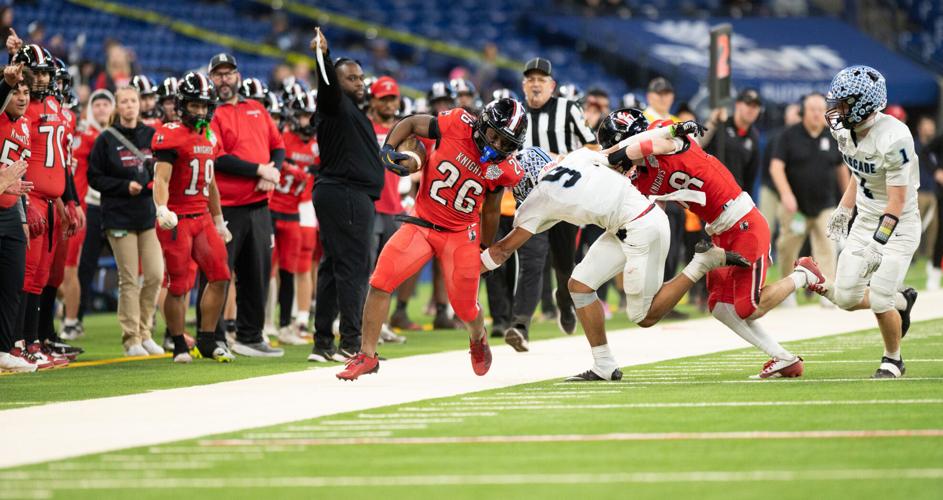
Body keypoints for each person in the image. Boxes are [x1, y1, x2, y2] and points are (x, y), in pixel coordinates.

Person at [482, 132, 748, 380]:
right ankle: (604, 364)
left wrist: (471, 268)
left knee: (644, 316)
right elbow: (621, 148)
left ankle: (702, 262)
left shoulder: (537, 198)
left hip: (639, 228)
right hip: (635, 220)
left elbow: (503, 249)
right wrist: (669, 131)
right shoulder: (577, 157)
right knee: (579, 285)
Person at [337, 97, 527, 380]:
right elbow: (413, 123)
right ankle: (367, 355)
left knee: (464, 307)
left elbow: (490, 210)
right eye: (495, 136)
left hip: (461, 235)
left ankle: (478, 337)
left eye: (506, 143)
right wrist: (388, 147)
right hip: (422, 224)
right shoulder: (456, 123)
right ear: (482, 124)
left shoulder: (505, 169)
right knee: (380, 281)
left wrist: (484, 248)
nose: (497, 146)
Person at [626, 107, 821, 379]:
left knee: (748, 307)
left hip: (742, 220)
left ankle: (804, 275)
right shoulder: (638, 179)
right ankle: (783, 358)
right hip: (719, 229)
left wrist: (621, 151)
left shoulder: (660, 136)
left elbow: (662, 141)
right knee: (719, 305)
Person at [802, 66, 919, 379]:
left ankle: (892, 359)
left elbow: (895, 203)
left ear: (864, 104)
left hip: (899, 225)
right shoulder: (846, 131)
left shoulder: (894, 138)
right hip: (866, 218)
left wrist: (878, 244)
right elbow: (861, 170)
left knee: (879, 296)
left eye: (843, 102)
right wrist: (845, 207)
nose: (835, 108)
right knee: (847, 297)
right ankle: (902, 302)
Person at [508, 57, 596, 350]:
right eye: (530, 79)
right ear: (523, 84)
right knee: (531, 262)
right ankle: (520, 324)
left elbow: (594, 146)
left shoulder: (568, 109)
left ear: (552, 85)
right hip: (531, 201)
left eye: (541, 79)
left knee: (563, 262)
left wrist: (565, 158)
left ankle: (564, 300)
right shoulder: (514, 113)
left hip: (565, 199)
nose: (535, 84)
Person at [307, 29, 384, 361]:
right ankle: (351, 343)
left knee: (332, 267)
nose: (360, 82)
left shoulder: (350, 111)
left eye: (361, 77)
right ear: (337, 83)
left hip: (340, 193)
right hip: (347, 193)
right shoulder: (335, 103)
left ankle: (323, 342)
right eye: (351, 78)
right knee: (353, 268)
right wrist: (323, 55)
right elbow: (325, 85)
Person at [205, 52, 286, 358]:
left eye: (229, 73)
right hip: (225, 206)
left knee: (257, 273)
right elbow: (217, 156)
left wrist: (272, 170)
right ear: (211, 78)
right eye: (218, 74)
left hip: (259, 205)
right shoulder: (209, 112)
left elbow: (278, 145)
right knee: (218, 274)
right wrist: (258, 170)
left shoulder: (257, 108)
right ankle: (211, 337)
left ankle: (250, 335)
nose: (224, 79)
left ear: (238, 75)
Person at [151, 72, 235, 364]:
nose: (200, 111)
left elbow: (210, 182)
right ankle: (177, 343)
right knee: (179, 284)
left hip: (202, 217)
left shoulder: (210, 135)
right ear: (182, 104)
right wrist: (162, 208)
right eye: (194, 105)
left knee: (221, 276)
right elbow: (160, 179)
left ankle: (208, 339)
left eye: (204, 105)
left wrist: (219, 220)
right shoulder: (170, 132)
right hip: (178, 219)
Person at [10, 40, 84, 367]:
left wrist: (69, 199)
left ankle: (35, 340)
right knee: (26, 275)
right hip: (31, 197)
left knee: (40, 276)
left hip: (53, 201)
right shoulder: (20, 106)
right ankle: (18, 342)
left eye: (44, 73)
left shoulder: (55, 104)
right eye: (34, 73)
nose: (40, 80)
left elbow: (63, 163)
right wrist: (16, 52)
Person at [87, 86, 163, 356]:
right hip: (118, 214)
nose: (130, 106)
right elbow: (94, 178)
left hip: (147, 214)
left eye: (134, 101)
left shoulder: (152, 135)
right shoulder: (105, 139)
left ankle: (145, 331)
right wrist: (123, 186)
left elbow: (163, 170)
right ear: (118, 107)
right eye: (125, 102)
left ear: (140, 105)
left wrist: (156, 184)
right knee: (129, 278)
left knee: (155, 274)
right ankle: (131, 338)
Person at [769, 92, 846, 289]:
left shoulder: (833, 136)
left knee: (828, 248)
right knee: (788, 247)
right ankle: (786, 290)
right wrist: (786, 194)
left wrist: (847, 200)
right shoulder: (788, 135)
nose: (816, 114)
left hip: (825, 204)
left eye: (821, 110)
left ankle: (828, 291)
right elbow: (776, 167)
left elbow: (841, 168)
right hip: (796, 208)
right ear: (804, 111)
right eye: (812, 109)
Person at [60, 89, 114, 340]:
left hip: (83, 208)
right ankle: (68, 314)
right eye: (98, 104)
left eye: (106, 104)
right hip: (59, 206)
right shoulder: (74, 132)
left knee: (74, 268)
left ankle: (71, 320)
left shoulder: (97, 137)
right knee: (55, 271)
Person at [267, 87, 314, 346]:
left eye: (310, 115)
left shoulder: (318, 142)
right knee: (266, 269)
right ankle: (264, 323)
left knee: (290, 269)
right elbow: (270, 159)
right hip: (273, 208)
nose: (307, 121)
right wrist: (290, 168)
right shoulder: (281, 137)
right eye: (303, 115)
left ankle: (287, 324)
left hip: (296, 212)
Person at [365, 76, 411, 341]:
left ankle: (379, 324)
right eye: (384, 98)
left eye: (392, 98)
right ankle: (361, 323)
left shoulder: (402, 128)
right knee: (366, 268)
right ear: (373, 100)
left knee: (389, 271)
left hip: (395, 206)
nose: (389, 103)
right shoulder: (366, 126)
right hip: (371, 204)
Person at [0, 63, 39, 373]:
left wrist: (23, 214)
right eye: (15, 92)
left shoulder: (26, 125)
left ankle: (3, 349)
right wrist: (6, 82)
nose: (22, 97)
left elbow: (19, 175)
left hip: (11, 209)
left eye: (26, 92)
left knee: (13, 282)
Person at [704, 88, 762, 193]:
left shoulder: (754, 138)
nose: (751, 109)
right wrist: (712, 122)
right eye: (748, 104)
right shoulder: (720, 124)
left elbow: (750, 177)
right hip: (709, 189)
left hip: (733, 196)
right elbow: (700, 144)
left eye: (755, 106)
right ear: (738, 105)